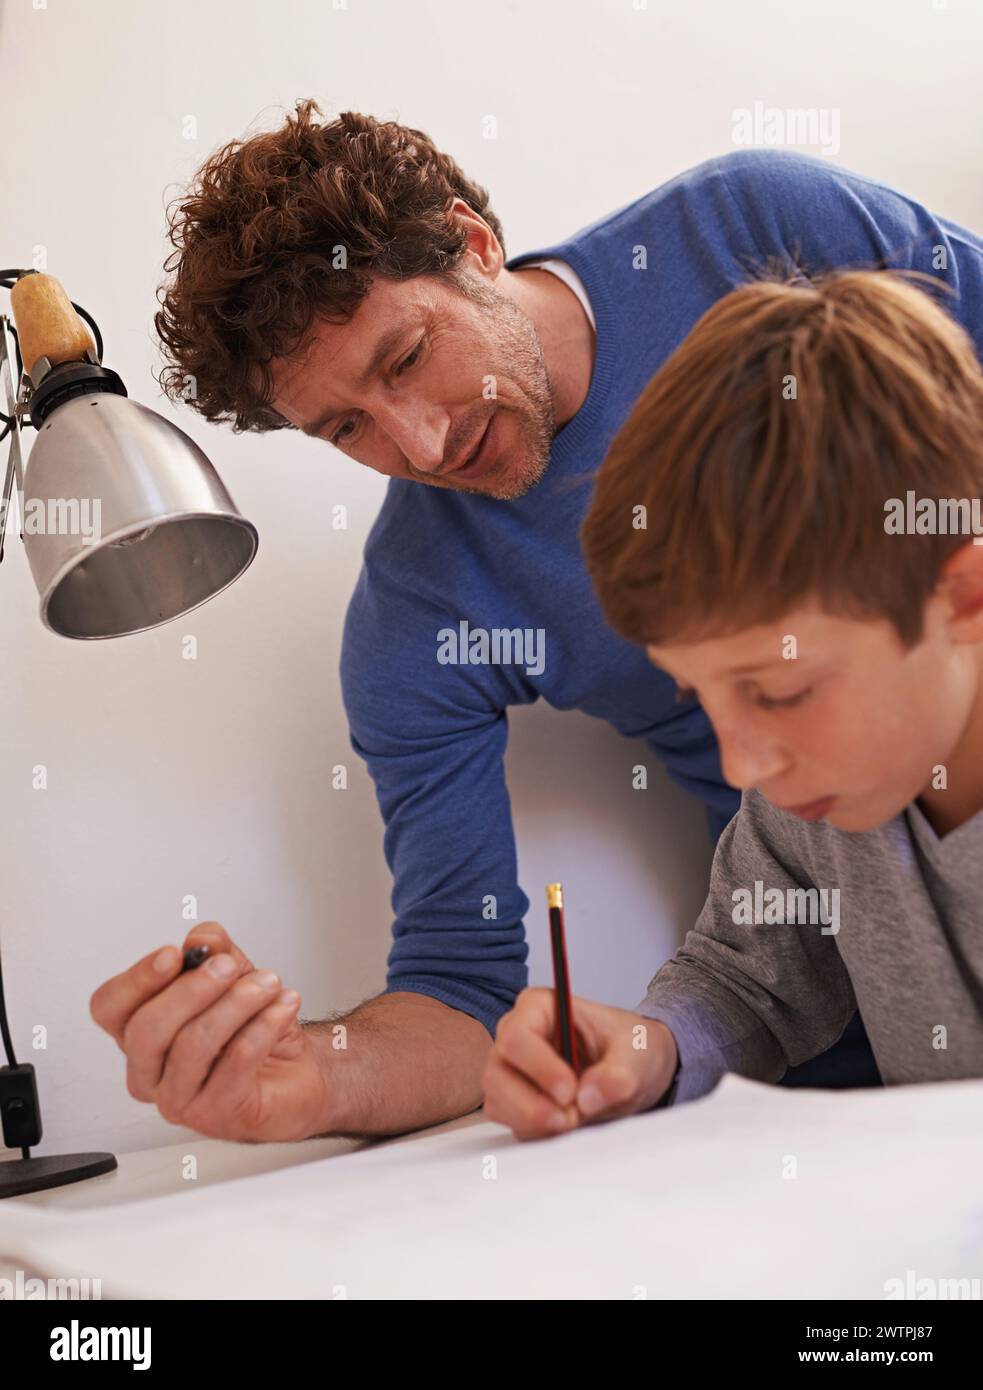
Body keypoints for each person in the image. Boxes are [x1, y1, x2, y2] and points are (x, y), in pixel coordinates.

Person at [91, 99, 983, 1141]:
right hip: (810, 1047)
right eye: (345, 428)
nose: (418, 447)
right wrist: (312, 1076)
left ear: (473, 245)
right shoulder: (418, 616)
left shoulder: (757, 227)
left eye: (406, 357)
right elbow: (466, 983)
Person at [482, 268, 983, 1139]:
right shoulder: (815, 803)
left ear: (963, 596)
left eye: (780, 691)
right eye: (696, 692)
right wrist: (650, 1048)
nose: (741, 762)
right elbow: (746, 980)